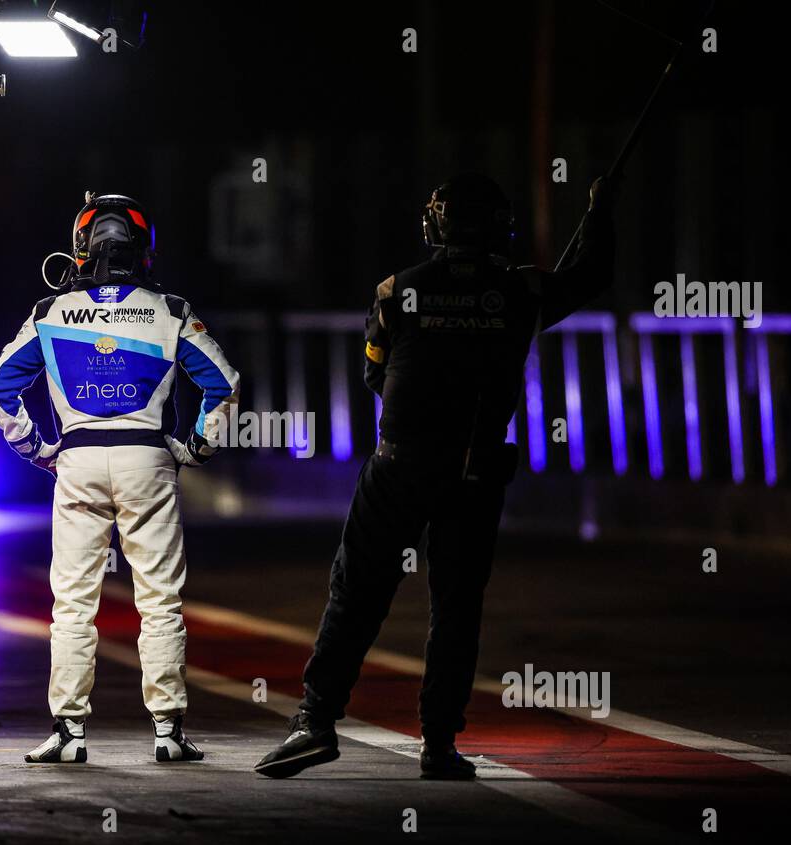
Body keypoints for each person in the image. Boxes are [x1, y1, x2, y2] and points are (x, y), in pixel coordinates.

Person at [255, 173, 616, 780]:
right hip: (474, 472)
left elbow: (374, 375)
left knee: (356, 594)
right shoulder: (519, 291)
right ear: (499, 227)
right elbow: (584, 279)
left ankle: (316, 721)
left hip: (397, 464)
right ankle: (439, 744)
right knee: (455, 606)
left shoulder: (396, 290)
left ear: (436, 225)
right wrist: (599, 212)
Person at [0, 192, 239, 764]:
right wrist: (194, 447)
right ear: (144, 248)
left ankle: (68, 734)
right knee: (161, 602)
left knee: (72, 603)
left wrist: (38, 449)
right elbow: (223, 382)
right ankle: (168, 734)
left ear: (80, 246)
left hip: (76, 462)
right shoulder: (170, 310)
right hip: (147, 459)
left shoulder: (50, 313)